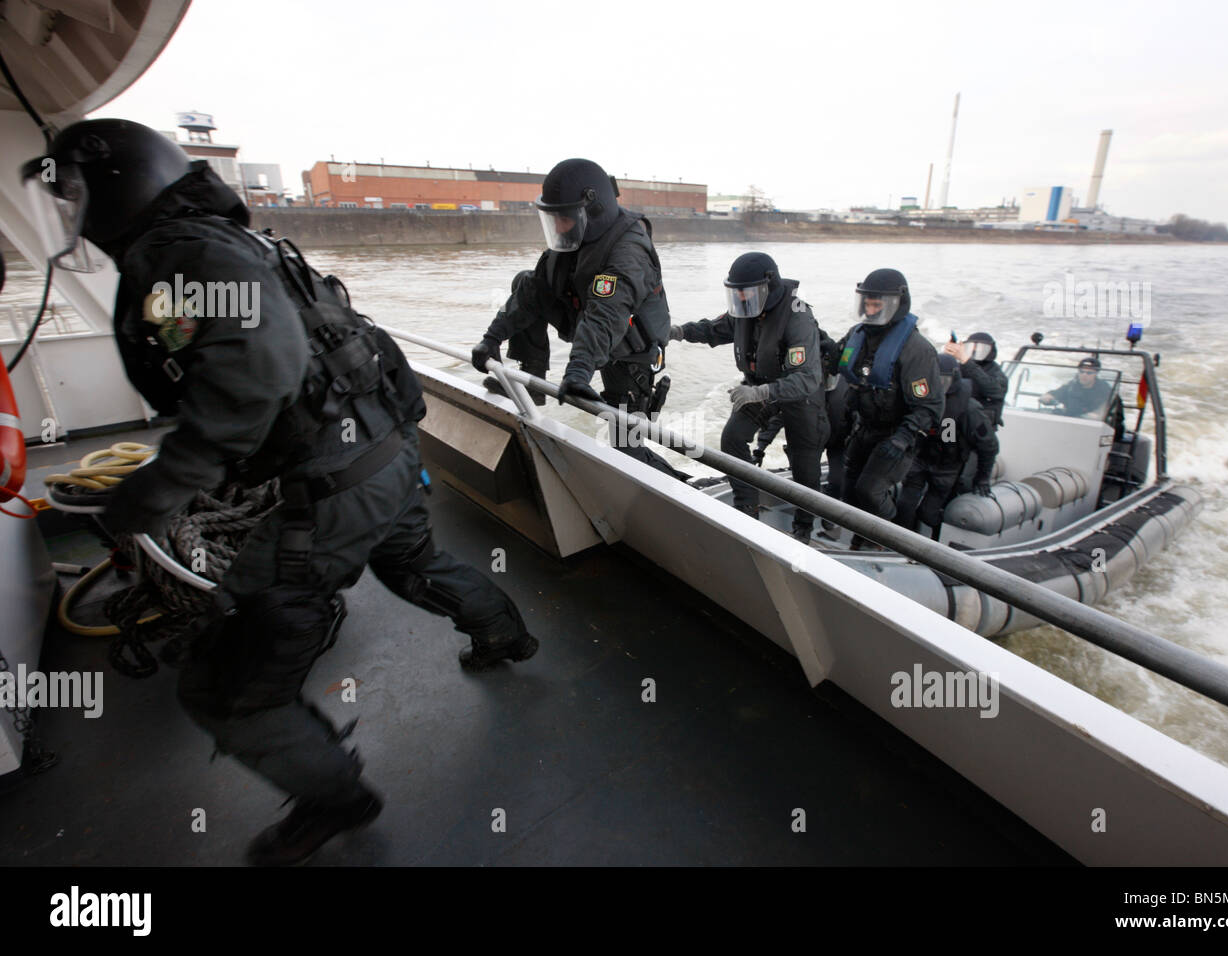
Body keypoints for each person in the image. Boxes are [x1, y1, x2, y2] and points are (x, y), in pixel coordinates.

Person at [22, 119, 537, 865]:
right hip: (385, 452)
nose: (68, 208)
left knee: (230, 688)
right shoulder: (236, 243)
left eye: (71, 191)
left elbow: (256, 372)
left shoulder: (178, 256)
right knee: (412, 561)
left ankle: (338, 797)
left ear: (112, 184)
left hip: (329, 491)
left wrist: (151, 494)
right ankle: (505, 633)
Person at [471, 158, 679, 477]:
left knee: (626, 446)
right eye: (552, 218)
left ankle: (685, 487)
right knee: (525, 280)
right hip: (589, 325)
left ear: (591, 212)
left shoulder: (629, 249)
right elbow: (534, 291)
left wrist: (578, 370)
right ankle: (534, 381)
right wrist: (492, 337)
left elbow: (606, 314)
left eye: (562, 218)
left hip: (630, 351)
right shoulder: (574, 236)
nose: (557, 227)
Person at [669, 253, 828, 543]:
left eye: (748, 292)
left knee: (805, 466)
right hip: (761, 388)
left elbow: (807, 379)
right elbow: (713, 328)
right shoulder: (744, 310)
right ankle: (747, 508)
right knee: (732, 438)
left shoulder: (798, 315)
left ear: (769, 287)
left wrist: (759, 392)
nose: (742, 298)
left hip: (799, 395)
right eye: (737, 292)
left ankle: (804, 528)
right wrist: (679, 332)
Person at [835, 268, 944, 548]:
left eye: (877, 305)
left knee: (870, 491)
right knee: (849, 493)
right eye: (867, 304)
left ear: (895, 305)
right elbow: (834, 358)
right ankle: (862, 536)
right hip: (865, 428)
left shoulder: (916, 349)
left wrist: (902, 439)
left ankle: (888, 539)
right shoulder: (857, 334)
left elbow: (930, 406)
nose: (870, 311)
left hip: (897, 435)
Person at [895, 354, 998, 537]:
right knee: (904, 506)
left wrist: (983, 477)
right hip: (920, 457)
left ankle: (934, 545)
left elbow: (988, 445)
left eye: (942, 380)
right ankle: (900, 542)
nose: (939, 385)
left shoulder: (969, 409)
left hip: (948, 466)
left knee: (929, 513)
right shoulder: (919, 395)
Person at [943, 331, 1006, 429]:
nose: (975, 351)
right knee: (946, 440)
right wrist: (947, 358)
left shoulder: (996, 372)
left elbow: (995, 391)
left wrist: (965, 360)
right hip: (955, 423)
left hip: (980, 426)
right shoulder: (960, 367)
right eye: (971, 347)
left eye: (982, 349)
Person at [1041, 356, 1110, 417]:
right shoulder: (1072, 385)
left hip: (1091, 426)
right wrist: (1049, 396)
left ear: (1096, 374)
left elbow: (1107, 412)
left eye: (1089, 373)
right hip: (1070, 422)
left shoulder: (1105, 390)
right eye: (1081, 372)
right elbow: (1058, 393)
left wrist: (1098, 415)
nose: (1084, 375)